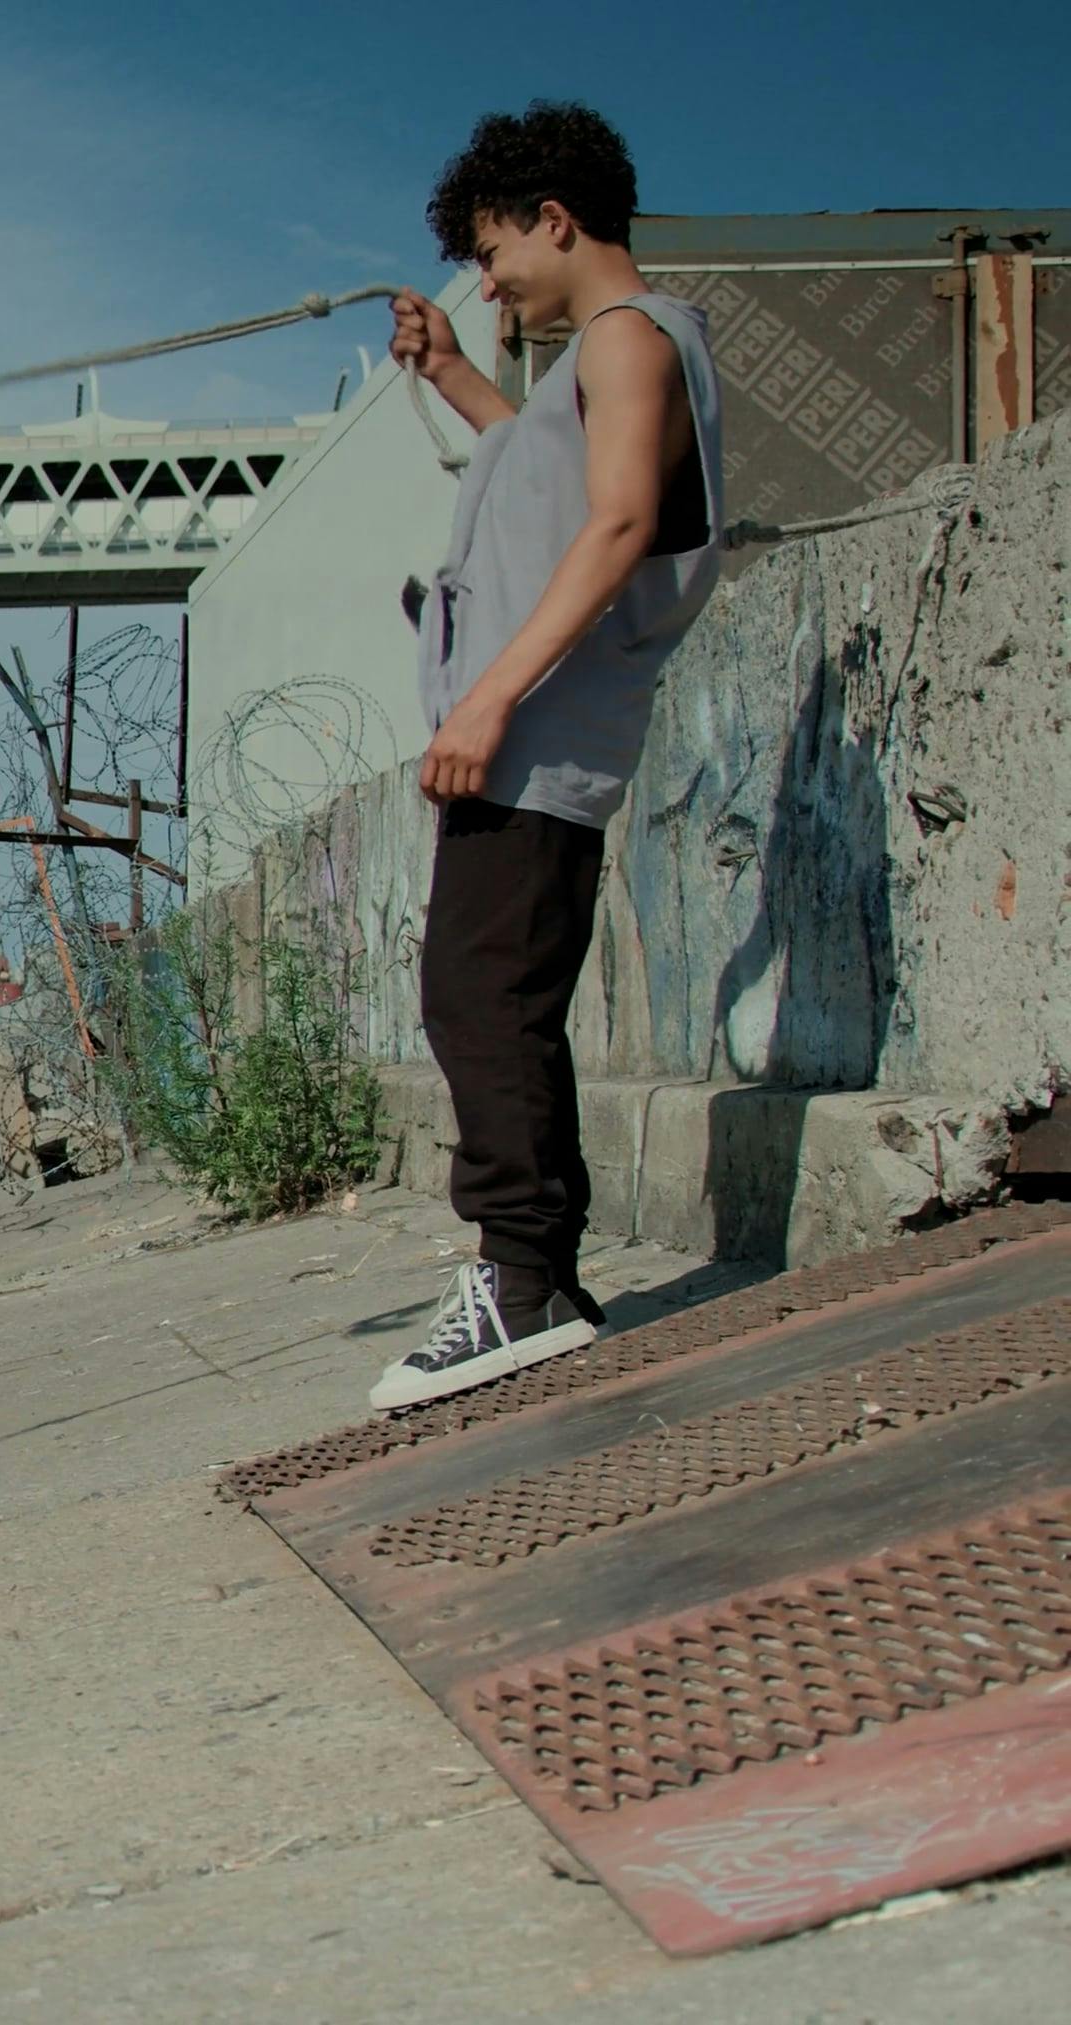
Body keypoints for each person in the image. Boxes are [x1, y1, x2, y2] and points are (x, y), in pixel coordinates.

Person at [372, 100, 721, 1410]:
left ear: (554, 220)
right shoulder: (596, 361)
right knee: (494, 1001)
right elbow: (542, 455)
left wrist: (487, 703)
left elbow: (622, 515)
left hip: (532, 737)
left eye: (495, 252)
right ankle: (540, 1280)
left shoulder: (632, 336)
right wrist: (451, 366)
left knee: (482, 1003)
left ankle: (519, 1285)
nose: (491, 277)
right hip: (523, 739)